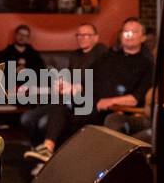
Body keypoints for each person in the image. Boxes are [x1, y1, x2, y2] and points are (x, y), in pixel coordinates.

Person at [23, 18, 153, 169]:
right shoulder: (109, 56)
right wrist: (73, 87)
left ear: (143, 37)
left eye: (134, 32)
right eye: (125, 31)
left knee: (65, 118)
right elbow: (88, 80)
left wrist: (111, 101)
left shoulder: (147, 64)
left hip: (111, 109)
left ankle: (58, 161)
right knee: (62, 101)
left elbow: (136, 98)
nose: (128, 35)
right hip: (89, 102)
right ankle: (47, 149)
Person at [20, 22, 106, 162]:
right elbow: (68, 81)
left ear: (96, 38)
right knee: (27, 118)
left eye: (87, 35)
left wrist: (76, 87)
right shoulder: (75, 55)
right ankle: (40, 152)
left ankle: (47, 150)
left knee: (53, 112)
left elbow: (98, 81)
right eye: (79, 35)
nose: (82, 37)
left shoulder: (101, 53)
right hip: (66, 99)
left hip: (85, 102)